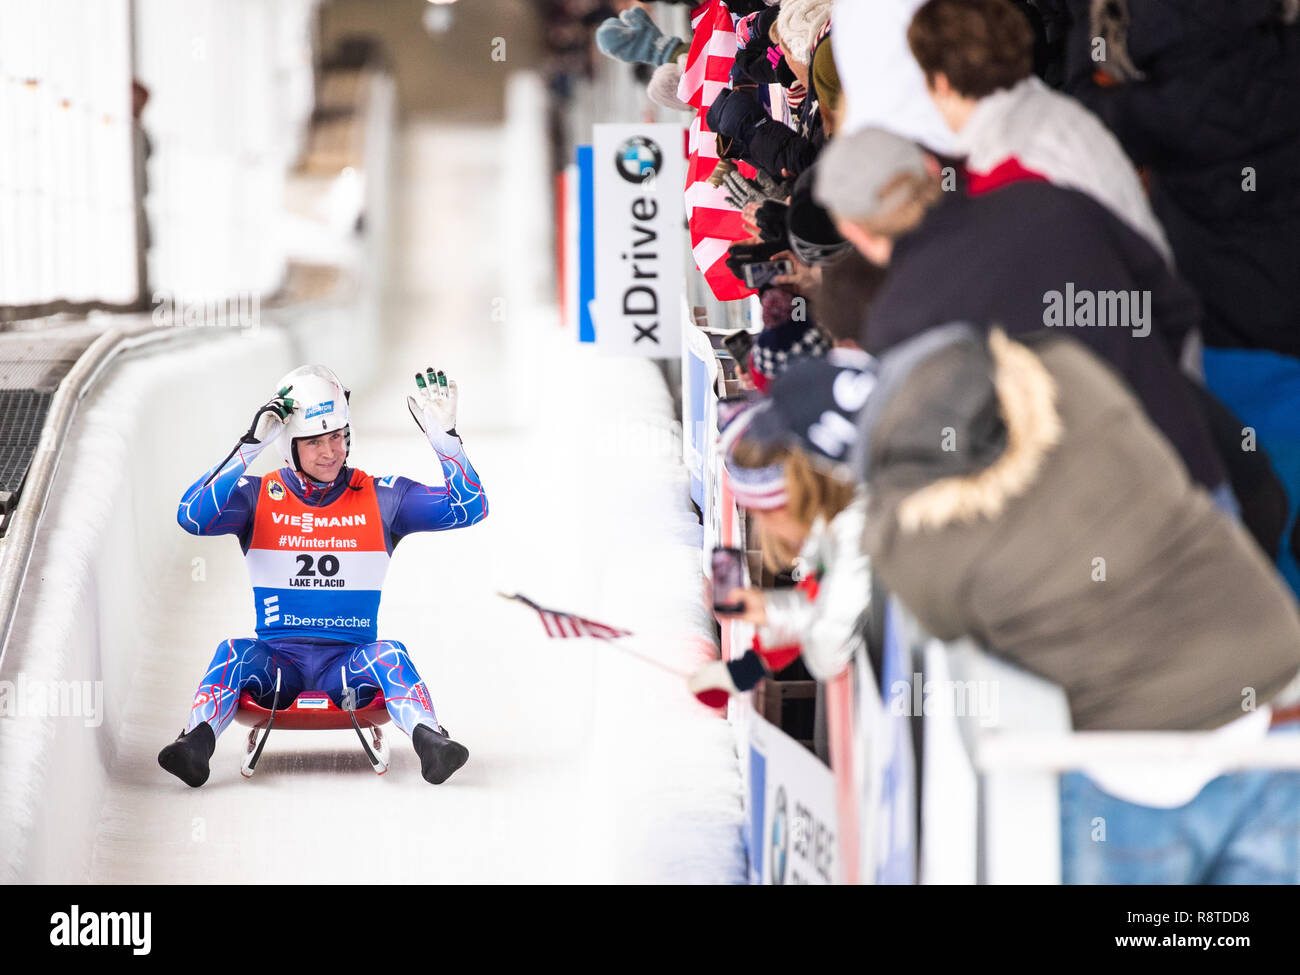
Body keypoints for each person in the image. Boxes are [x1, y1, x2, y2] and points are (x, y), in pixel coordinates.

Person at [760, 328, 1300, 882]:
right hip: (1274, 683)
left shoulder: (909, 547)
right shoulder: (1068, 371)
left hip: (1140, 759)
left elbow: (937, 618)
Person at [158, 365, 488, 787]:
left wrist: (446, 441)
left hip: (350, 669)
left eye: (337, 436)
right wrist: (249, 446)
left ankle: (431, 740)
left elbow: (469, 507)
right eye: (314, 441)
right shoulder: (257, 497)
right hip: (277, 666)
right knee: (232, 653)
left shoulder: (383, 496)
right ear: (287, 445)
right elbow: (192, 516)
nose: (330, 451)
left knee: (392, 655)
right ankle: (195, 744)